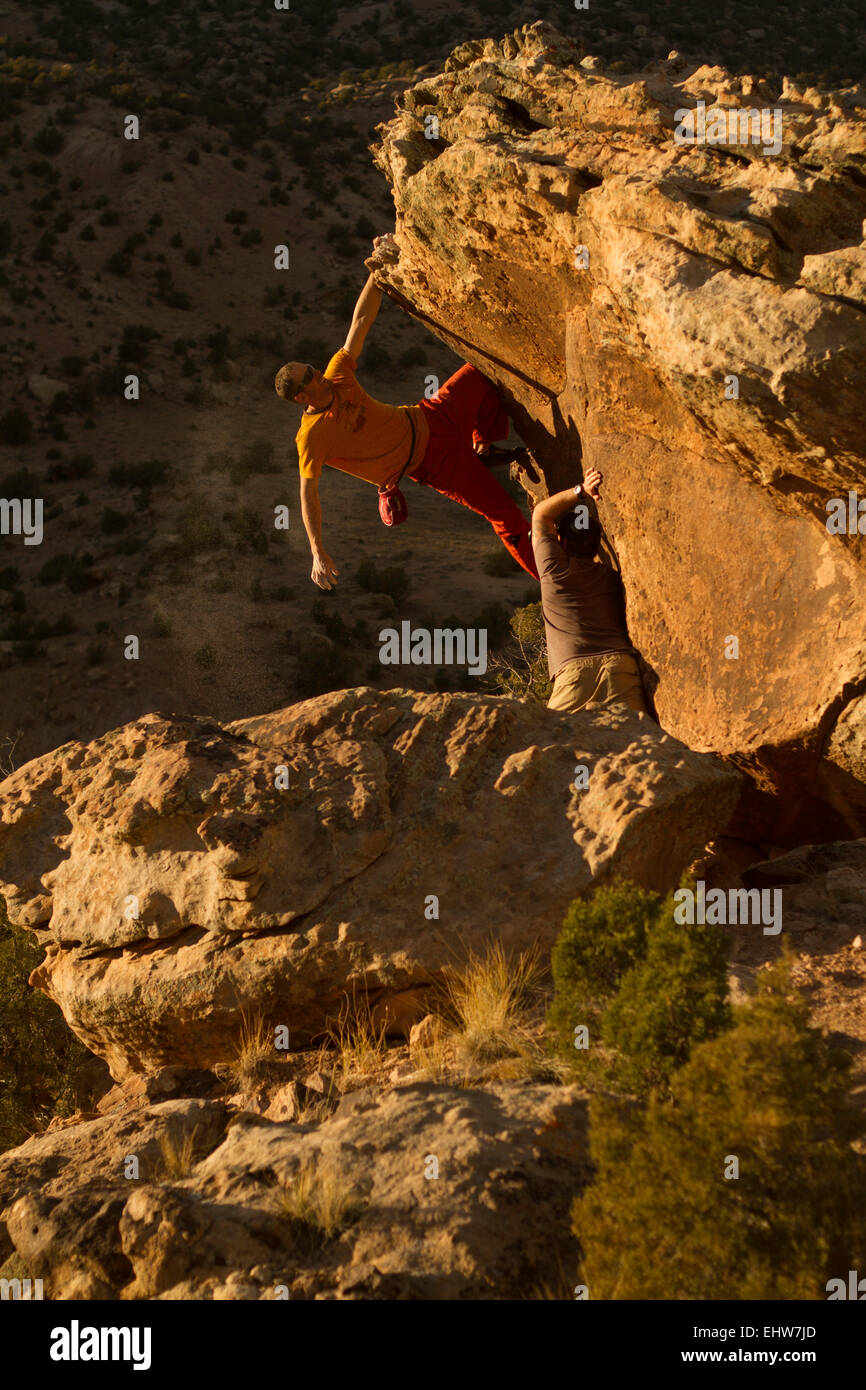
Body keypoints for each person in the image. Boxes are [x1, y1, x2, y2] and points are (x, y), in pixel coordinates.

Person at [274, 233, 538, 588]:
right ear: (299, 397)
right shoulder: (311, 437)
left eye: (311, 367)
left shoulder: (337, 375)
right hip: (431, 463)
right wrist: (317, 551)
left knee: (482, 371)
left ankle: (485, 448)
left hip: (431, 415)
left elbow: (360, 321)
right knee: (505, 516)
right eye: (309, 376)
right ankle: (555, 584)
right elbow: (308, 496)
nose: (317, 372)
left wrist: (378, 266)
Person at [523, 463, 648, 715]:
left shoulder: (553, 570)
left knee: (555, 747)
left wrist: (582, 490)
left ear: (562, 542)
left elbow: (541, 515)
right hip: (620, 669)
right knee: (638, 746)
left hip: (574, 675)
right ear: (594, 546)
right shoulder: (612, 578)